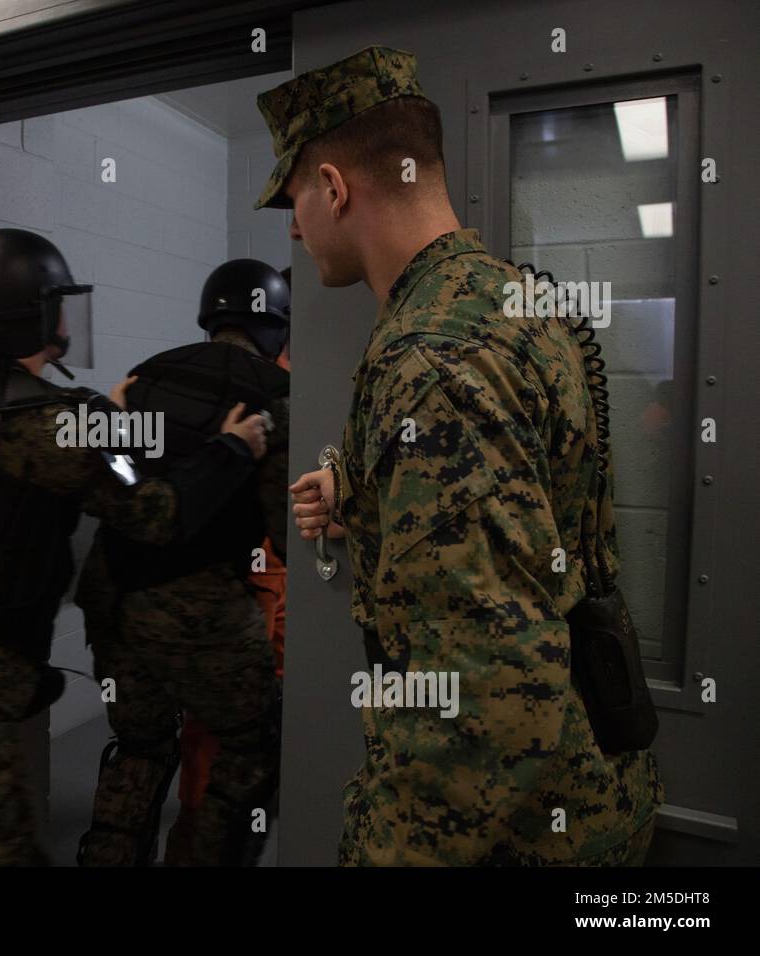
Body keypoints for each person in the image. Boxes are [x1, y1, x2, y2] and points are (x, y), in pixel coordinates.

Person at [257, 47, 663, 865]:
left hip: (512, 831)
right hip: (591, 793)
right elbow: (540, 497)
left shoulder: (430, 361)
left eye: (295, 200)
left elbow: (487, 703)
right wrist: (365, 487)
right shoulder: (512, 302)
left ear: (335, 189)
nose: (294, 227)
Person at [0, 227, 270, 866]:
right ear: (29, 315)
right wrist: (232, 449)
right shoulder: (57, 419)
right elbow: (157, 514)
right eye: (57, 304)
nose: (67, 321)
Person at [75, 257, 291, 866]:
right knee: (250, 748)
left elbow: (112, 475)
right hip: (201, 610)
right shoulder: (276, 398)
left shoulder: (146, 375)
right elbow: (285, 527)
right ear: (277, 326)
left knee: (140, 747)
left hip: (113, 596)